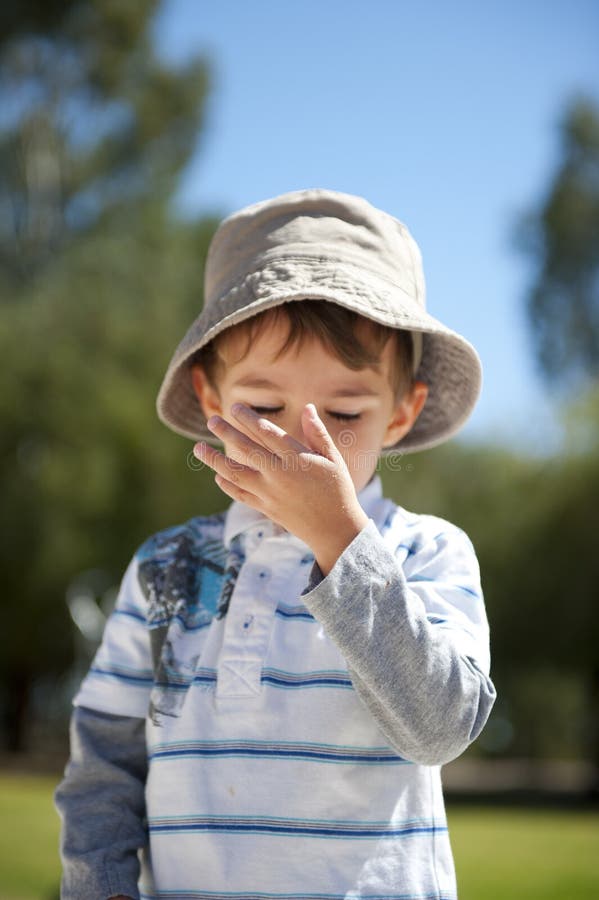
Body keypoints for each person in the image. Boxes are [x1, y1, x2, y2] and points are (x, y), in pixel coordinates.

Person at [55, 188, 496, 899]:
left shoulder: (425, 553)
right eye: (263, 406)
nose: (300, 439)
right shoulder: (164, 568)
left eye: (344, 411)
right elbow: (105, 762)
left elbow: (439, 729)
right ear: (208, 397)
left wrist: (340, 544)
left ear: (401, 411)